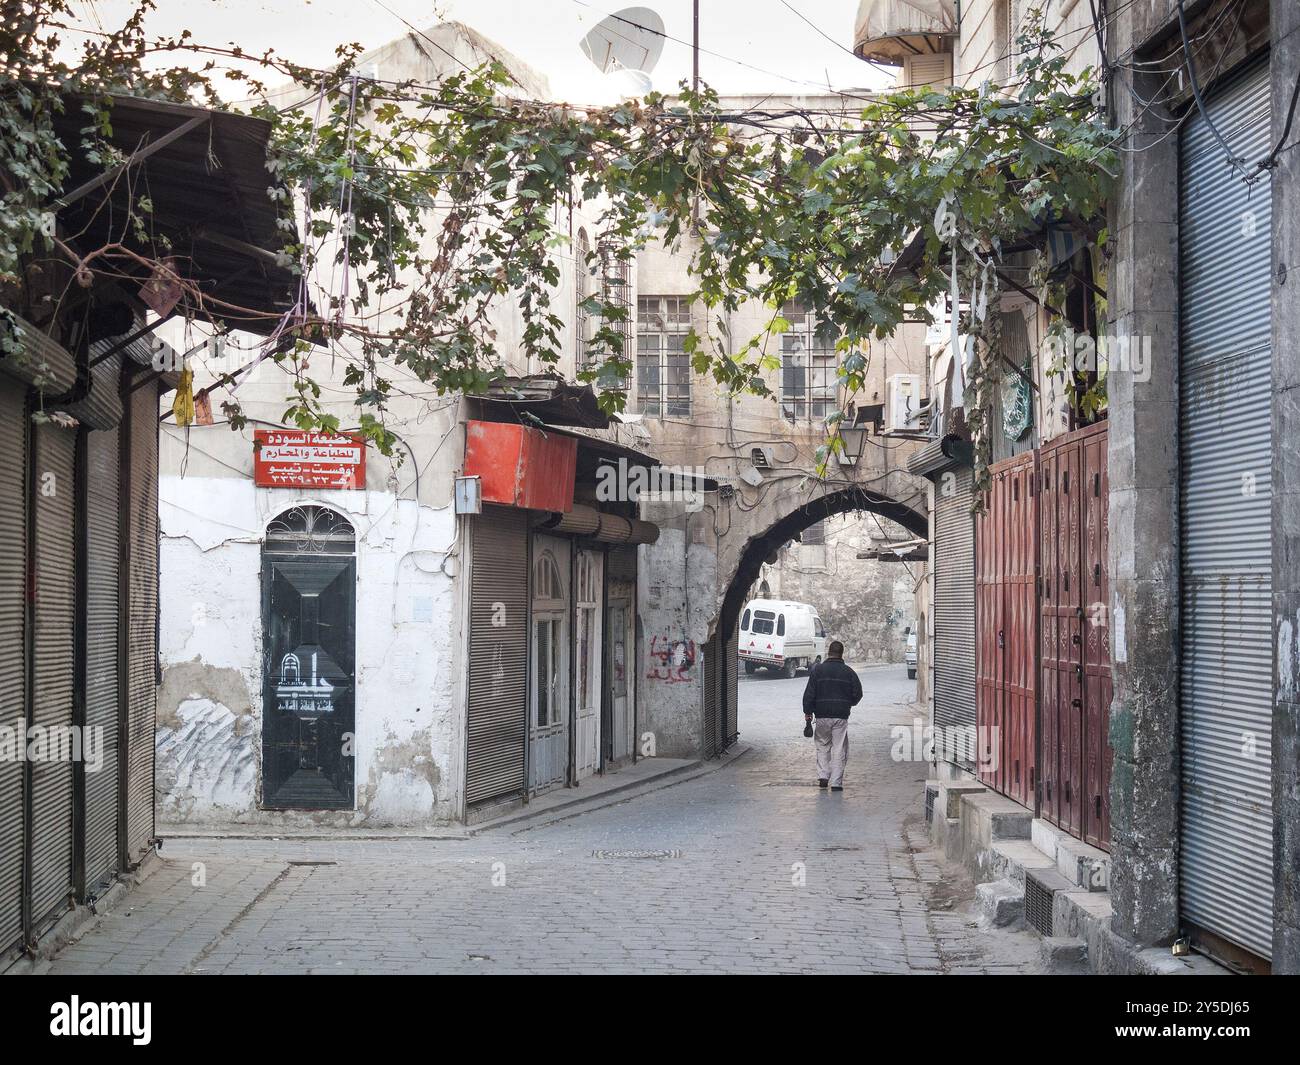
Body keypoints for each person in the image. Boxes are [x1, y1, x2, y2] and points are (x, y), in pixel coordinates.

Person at [801, 640, 862, 792]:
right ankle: (836, 782)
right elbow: (857, 694)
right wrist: (849, 703)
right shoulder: (849, 672)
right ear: (842, 654)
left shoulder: (817, 670)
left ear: (829, 652)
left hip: (821, 715)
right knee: (839, 748)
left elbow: (809, 695)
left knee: (822, 745)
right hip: (841, 716)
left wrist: (808, 713)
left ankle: (823, 775)